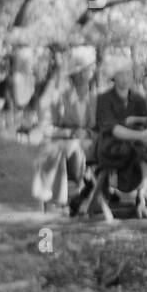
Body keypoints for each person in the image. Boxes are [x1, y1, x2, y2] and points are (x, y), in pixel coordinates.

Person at [95, 56, 147, 218]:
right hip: (111, 147)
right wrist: (141, 135)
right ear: (114, 77)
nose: (125, 79)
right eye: (121, 75)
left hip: (137, 144)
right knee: (142, 147)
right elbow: (114, 130)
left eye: (128, 74)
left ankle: (144, 193)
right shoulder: (104, 99)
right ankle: (143, 195)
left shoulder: (138, 99)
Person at [32, 47, 97, 212]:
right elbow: (46, 127)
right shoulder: (61, 98)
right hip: (70, 148)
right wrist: (70, 133)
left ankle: (85, 192)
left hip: (94, 146)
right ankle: (57, 199)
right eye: (82, 71)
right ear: (74, 75)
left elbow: (104, 127)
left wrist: (88, 134)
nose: (85, 74)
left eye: (88, 69)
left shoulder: (97, 98)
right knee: (57, 149)